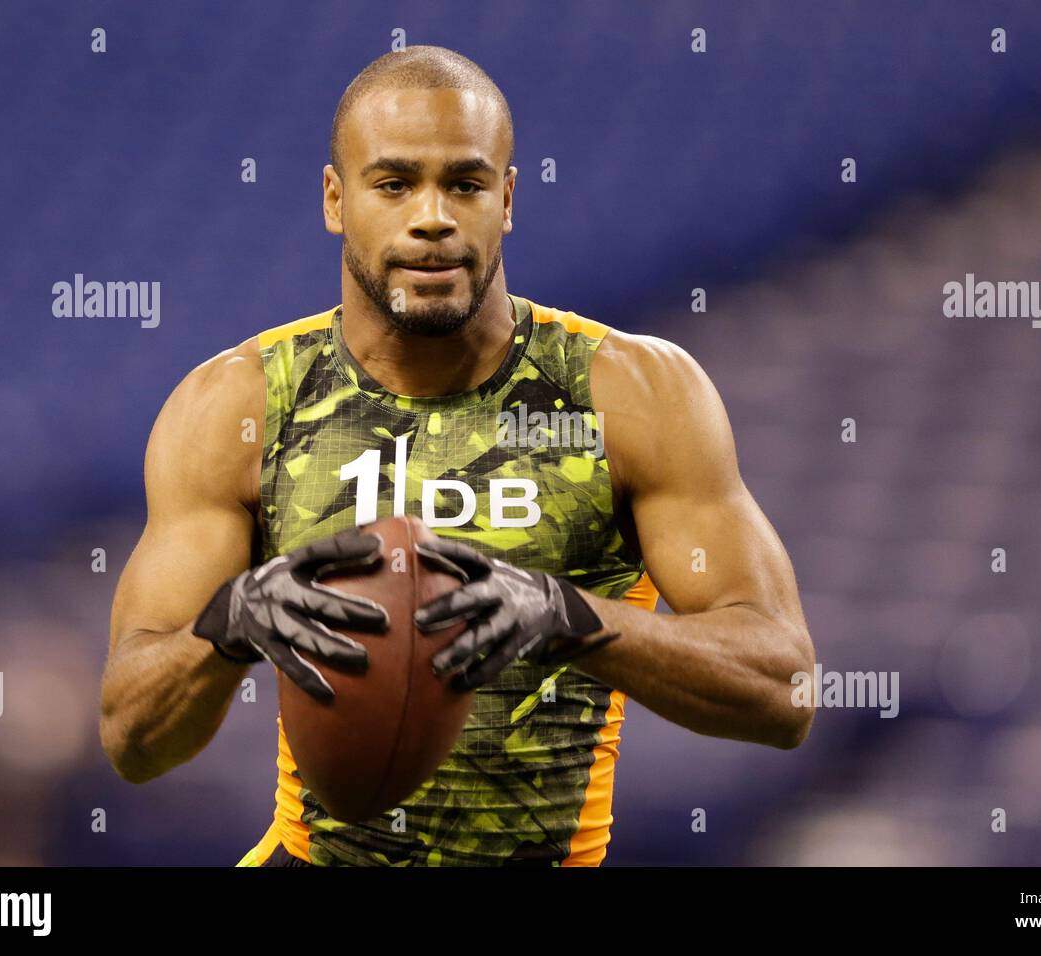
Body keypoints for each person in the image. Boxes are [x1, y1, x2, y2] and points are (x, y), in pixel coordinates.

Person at [100, 45, 815, 867]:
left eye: (465, 184)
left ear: (507, 200)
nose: (432, 217)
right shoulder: (239, 405)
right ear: (336, 200)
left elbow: (785, 688)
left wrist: (571, 618)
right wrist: (228, 627)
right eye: (395, 184)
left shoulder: (630, 393)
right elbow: (131, 737)